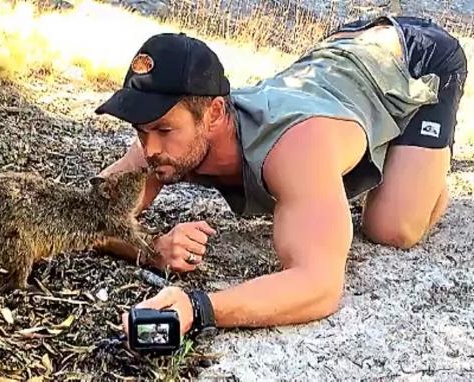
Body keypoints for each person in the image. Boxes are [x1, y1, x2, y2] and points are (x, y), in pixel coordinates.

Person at [93, 15, 468, 339]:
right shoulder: (163, 142)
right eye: (141, 130)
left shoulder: (292, 146)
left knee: (392, 227)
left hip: (415, 57)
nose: (150, 147)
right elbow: (85, 217)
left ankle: (419, 162)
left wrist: (198, 308)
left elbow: (319, 286)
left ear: (214, 112)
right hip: (337, 57)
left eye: (163, 129)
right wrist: (151, 249)